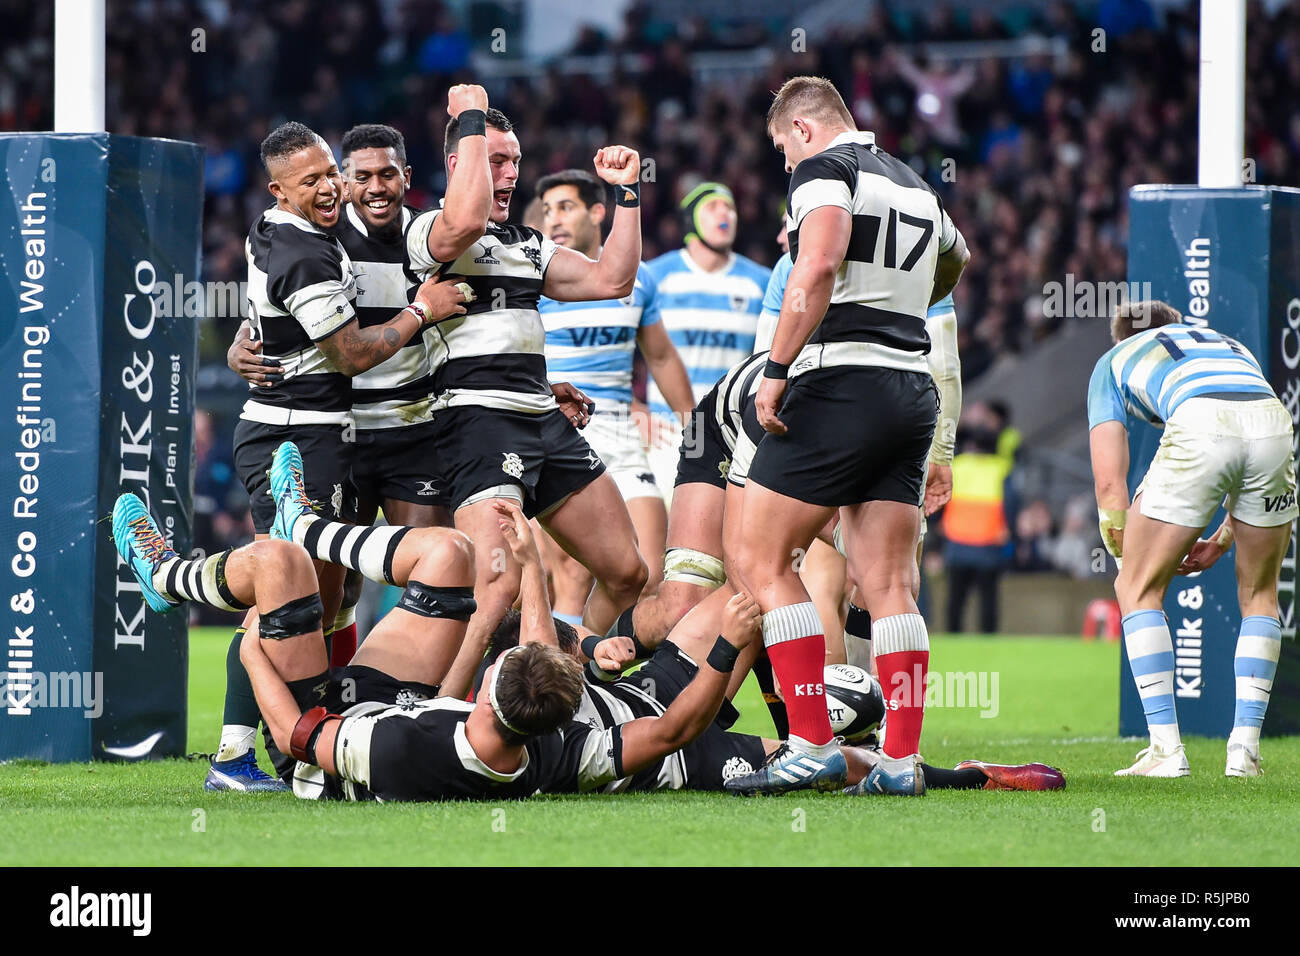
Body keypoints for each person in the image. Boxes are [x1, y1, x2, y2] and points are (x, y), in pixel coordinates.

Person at [213, 114, 471, 792]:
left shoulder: (417, 236)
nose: (343, 188)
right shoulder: (311, 247)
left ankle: (368, 718)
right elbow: (346, 347)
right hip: (311, 436)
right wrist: (422, 311)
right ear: (278, 190)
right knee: (302, 595)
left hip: (388, 434)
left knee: (365, 590)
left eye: (335, 174)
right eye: (332, 178)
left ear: (409, 180)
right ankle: (248, 748)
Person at [729, 76, 970, 796]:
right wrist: (898, 306)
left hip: (839, 383)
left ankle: (810, 741)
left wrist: (775, 369)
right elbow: (958, 260)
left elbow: (821, 262)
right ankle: (899, 762)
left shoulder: (822, 171)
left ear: (802, 129)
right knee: (891, 583)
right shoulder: (917, 186)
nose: (783, 163)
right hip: (910, 388)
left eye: (780, 148)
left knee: (759, 556)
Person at [403, 104, 651, 700]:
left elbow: (612, 281)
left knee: (628, 572)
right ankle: (446, 716)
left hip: (541, 419)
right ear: (459, 165)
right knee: (497, 589)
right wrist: (465, 111)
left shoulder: (527, 244)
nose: (511, 173)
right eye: (495, 161)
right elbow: (462, 222)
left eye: (514, 160)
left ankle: (570, 674)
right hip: (477, 424)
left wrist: (628, 194)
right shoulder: (429, 230)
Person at [1088, 299, 1296, 777]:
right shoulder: (1228, 345)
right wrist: (1222, 541)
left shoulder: (1114, 361)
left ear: (1122, 338)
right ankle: (1244, 751)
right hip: (1272, 422)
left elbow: (1108, 485)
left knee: (1137, 588)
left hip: (1201, 422)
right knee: (1261, 593)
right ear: (1178, 327)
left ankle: (1165, 750)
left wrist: (1127, 552)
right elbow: (1243, 439)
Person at [535, 168, 695, 622]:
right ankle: (560, 679)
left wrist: (696, 429)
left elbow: (661, 358)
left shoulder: (637, 278)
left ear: (599, 212)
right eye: (548, 210)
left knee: (649, 574)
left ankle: (584, 665)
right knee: (565, 573)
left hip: (621, 434)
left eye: (566, 207)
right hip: (559, 427)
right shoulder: (536, 274)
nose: (554, 220)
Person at [642, 181, 771, 497]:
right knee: (665, 540)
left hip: (735, 430)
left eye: (730, 207)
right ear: (691, 219)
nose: (725, 213)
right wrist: (633, 408)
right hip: (666, 431)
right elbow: (613, 345)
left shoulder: (761, 282)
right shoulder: (653, 276)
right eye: (713, 207)